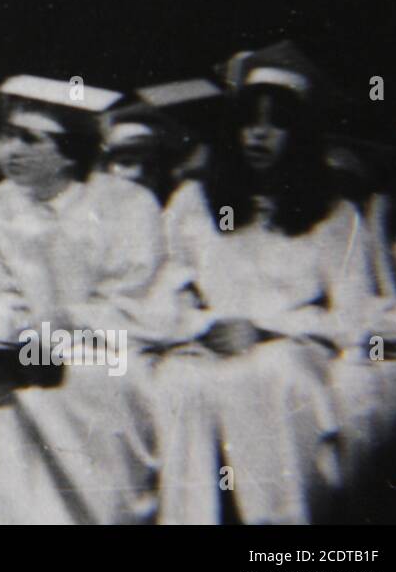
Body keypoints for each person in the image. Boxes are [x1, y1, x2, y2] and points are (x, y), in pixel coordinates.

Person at [151, 42, 380, 523]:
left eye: (276, 124)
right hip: (209, 343)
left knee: (269, 374)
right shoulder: (195, 202)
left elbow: (353, 314)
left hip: (289, 348)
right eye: (248, 122)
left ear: (299, 136)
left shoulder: (334, 214)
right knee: (179, 381)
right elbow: (165, 292)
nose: (258, 135)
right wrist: (208, 324)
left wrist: (264, 329)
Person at [0, 75, 170, 524]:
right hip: (20, 353)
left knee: (90, 382)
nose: (11, 151)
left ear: (66, 152)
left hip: (109, 349)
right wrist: (12, 328)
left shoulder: (127, 204)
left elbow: (137, 298)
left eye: (29, 139)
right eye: (7, 136)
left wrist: (61, 326)